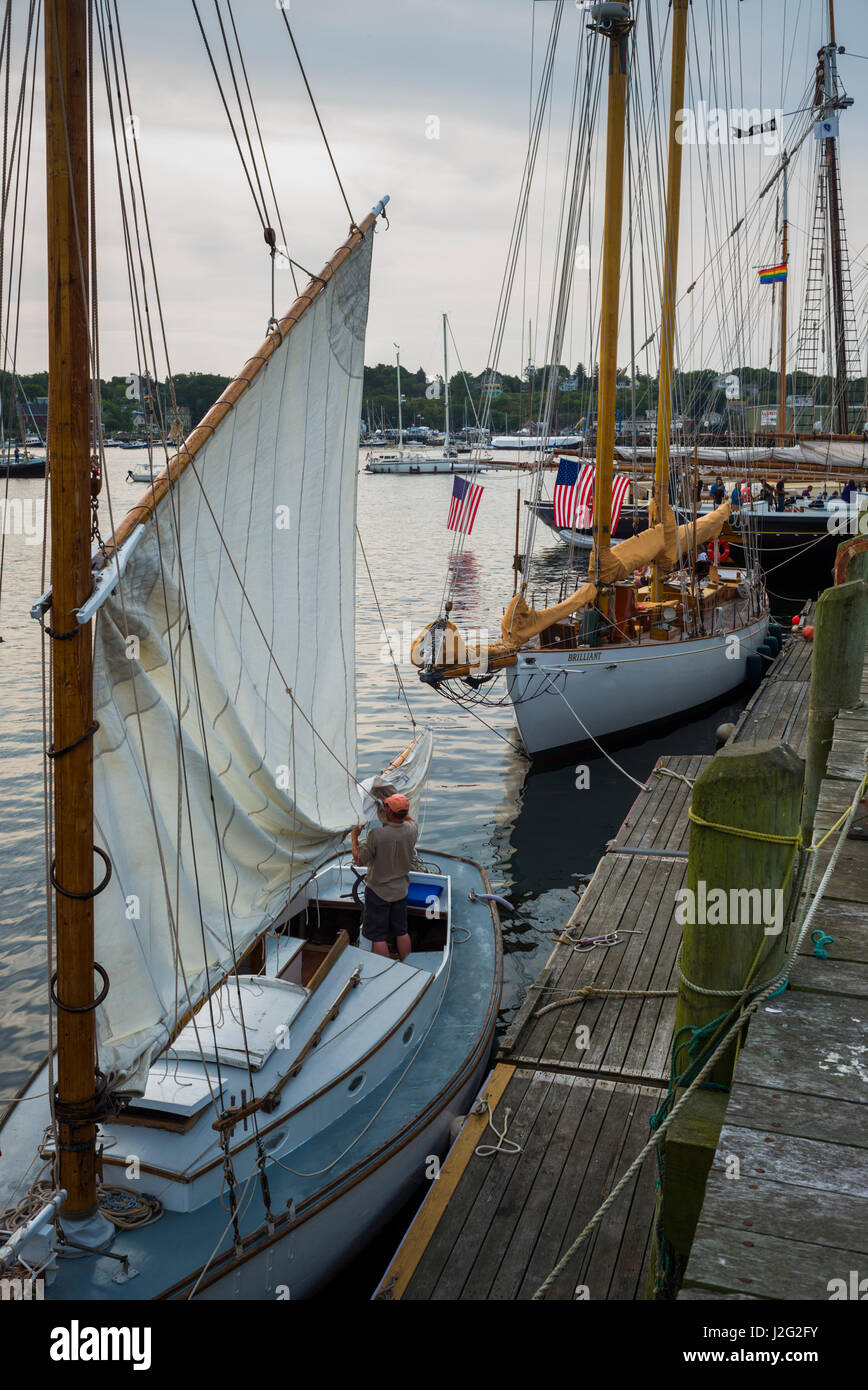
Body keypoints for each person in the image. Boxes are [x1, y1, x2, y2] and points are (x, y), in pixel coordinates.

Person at [351, 793, 418, 960]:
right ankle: (409, 966)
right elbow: (405, 817)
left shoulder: (376, 835)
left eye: (387, 807)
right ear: (405, 812)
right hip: (400, 891)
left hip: (378, 892)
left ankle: (385, 971)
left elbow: (359, 860)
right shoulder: (412, 829)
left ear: (388, 812)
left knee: (378, 936)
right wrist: (393, 806)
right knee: (401, 931)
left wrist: (354, 837)